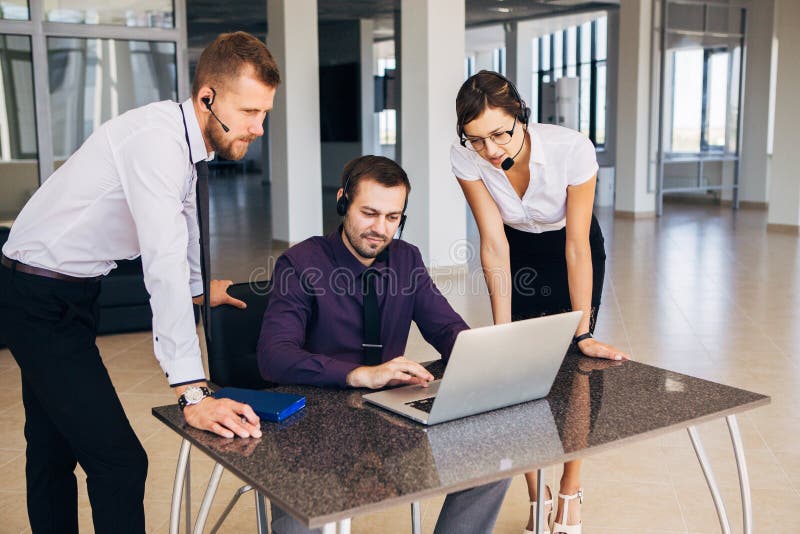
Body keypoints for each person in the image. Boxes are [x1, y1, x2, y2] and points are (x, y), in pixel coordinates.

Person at [0, 32, 276, 533]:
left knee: (52, 446)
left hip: (72, 290)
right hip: (37, 297)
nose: (259, 127)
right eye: (251, 111)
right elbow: (162, 262)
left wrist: (200, 286)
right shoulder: (156, 144)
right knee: (121, 462)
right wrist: (192, 392)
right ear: (207, 97)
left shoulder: (187, 140)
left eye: (265, 113)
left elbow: (184, 222)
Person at [257, 155, 511, 534]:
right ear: (343, 201)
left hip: (390, 417)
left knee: (496, 459)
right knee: (300, 523)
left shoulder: (406, 260)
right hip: (314, 421)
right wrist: (360, 374)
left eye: (393, 218)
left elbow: (445, 327)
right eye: (369, 213)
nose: (380, 229)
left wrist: (487, 360)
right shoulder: (300, 263)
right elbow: (274, 357)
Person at [450, 71, 631, 534]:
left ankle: (570, 490)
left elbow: (576, 246)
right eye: (477, 140)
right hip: (518, 249)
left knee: (575, 371)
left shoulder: (571, 149)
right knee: (519, 376)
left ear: (520, 115)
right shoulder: (467, 158)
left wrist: (583, 330)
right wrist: (504, 333)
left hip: (572, 248)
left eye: (500, 134)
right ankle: (537, 494)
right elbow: (493, 243)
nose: (491, 151)